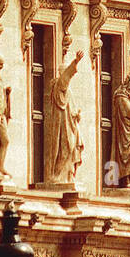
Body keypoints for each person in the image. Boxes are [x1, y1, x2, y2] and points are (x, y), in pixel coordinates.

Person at [49, 50, 84, 184]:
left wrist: (76, 115)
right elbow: (66, 78)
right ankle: (57, 175)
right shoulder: (59, 86)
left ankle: (68, 176)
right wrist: (75, 62)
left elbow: (71, 106)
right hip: (63, 124)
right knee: (66, 146)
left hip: (71, 123)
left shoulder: (67, 89)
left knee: (71, 147)